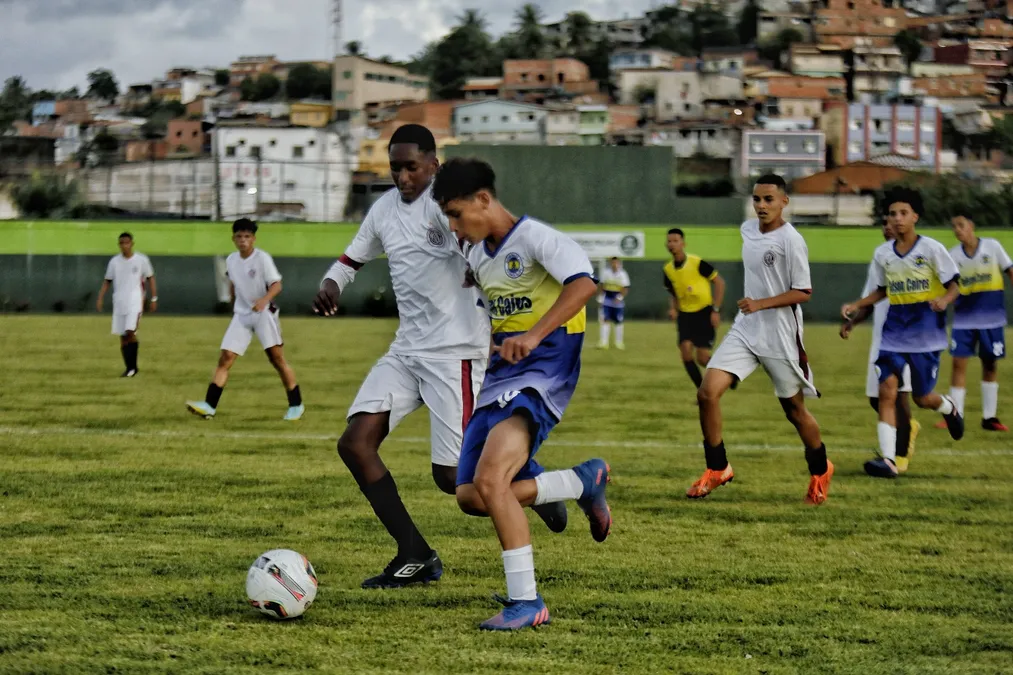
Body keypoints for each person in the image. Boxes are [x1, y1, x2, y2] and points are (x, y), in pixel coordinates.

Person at [312, 125, 566, 590]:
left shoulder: (450, 207)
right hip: (407, 351)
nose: (403, 176)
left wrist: (488, 292)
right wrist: (332, 283)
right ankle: (415, 552)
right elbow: (351, 260)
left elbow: (487, 250)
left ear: (433, 163)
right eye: (395, 167)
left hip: (457, 355)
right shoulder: (384, 210)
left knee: (454, 478)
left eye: (412, 166)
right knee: (355, 444)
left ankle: (540, 484)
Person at [433, 157, 612, 631]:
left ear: (484, 200)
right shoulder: (475, 254)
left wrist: (533, 335)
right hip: (501, 376)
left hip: (544, 370)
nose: (454, 226)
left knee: (493, 483)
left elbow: (584, 284)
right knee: (470, 495)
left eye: (456, 214)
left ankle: (527, 602)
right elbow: (493, 307)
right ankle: (579, 482)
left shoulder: (536, 238)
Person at [690, 175, 833, 505]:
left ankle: (820, 469)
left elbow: (804, 292)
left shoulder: (792, 240)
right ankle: (718, 468)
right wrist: (752, 309)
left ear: (784, 202)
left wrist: (761, 303)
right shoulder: (747, 229)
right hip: (747, 328)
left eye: (769, 199)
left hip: (781, 335)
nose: (761, 205)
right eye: (756, 199)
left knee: (794, 411)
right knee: (707, 393)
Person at [842, 187, 964, 478]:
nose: (896, 219)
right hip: (893, 333)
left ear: (915, 217)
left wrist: (944, 301)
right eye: (892, 214)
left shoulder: (932, 249)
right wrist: (856, 305)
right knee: (887, 392)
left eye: (903, 214)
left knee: (922, 398)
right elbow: (882, 290)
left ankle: (949, 408)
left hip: (926, 334)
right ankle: (889, 461)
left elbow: (955, 285)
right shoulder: (883, 254)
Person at [186, 218, 304, 421]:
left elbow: (277, 285)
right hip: (242, 315)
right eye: (239, 236)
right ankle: (209, 406)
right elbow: (234, 282)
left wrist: (263, 300)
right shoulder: (231, 260)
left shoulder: (262, 258)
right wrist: (234, 303)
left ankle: (296, 404)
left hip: (264, 314)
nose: (243, 240)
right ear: (233, 239)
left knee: (276, 359)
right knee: (225, 358)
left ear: (254, 239)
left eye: (247, 236)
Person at [839, 218, 921, 472]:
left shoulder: (919, 255)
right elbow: (870, 300)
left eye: (893, 220)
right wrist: (853, 322)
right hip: (881, 339)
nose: (888, 226)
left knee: (898, 398)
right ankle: (906, 431)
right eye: (884, 222)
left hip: (907, 339)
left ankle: (899, 457)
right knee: (876, 399)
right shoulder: (881, 258)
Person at [933, 211, 1013, 432]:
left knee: (990, 364)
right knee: (958, 364)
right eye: (954, 226)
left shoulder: (993, 247)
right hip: (963, 320)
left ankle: (990, 418)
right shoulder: (952, 256)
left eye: (961, 225)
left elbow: (1009, 270)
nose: (957, 230)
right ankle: (955, 414)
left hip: (992, 319)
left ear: (971, 226)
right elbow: (948, 285)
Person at [662, 228, 725, 389]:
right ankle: (702, 390)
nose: (672, 244)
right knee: (685, 351)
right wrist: (673, 309)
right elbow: (673, 293)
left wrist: (715, 310)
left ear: (683, 243)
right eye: (669, 241)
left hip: (703, 312)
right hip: (685, 315)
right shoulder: (668, 270)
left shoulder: (696, 262)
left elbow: (719, 282)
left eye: (675, 240)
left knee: (702, 358)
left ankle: (726, 374)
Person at [96, 232, 156, 377]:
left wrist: (154, 298)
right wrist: (100, 297)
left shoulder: (141, 260)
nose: (124, 246)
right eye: (121, 243)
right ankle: (129, 368)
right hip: (119, 302)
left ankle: (133, 368)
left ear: (132, 244)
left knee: (130, 332)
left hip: (135, 302)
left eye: (127, 243)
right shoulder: (114, 262)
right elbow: (108, 281)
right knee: (122, 336)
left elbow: (150, 278)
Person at [597, 257, 630, 349]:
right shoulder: (605, 273)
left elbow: (626, 288)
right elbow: (602, 286)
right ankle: (603, 342)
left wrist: (619, 297)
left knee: (618, 321)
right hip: (607, 300)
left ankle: (619, 342)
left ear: (619, 264)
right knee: (605, 320)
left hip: (617, 302)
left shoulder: (623, 274)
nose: (614, 264)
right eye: (613, 263)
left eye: (616, 263)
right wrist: (600, 298)